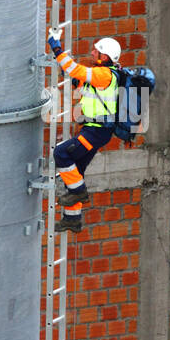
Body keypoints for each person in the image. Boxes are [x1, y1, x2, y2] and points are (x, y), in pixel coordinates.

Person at [45, 26, 121, 233]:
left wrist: (57, 47)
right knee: (75, 171)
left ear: (105, 57)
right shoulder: (100, 77)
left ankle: (80, 192)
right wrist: (68, 70)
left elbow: (77, 70)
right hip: (94, 129)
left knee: (61, 154)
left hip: (96, 131)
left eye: (97, 51)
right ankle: (73, 219)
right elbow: (80, 80)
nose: (92, 53)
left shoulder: (104, 74)